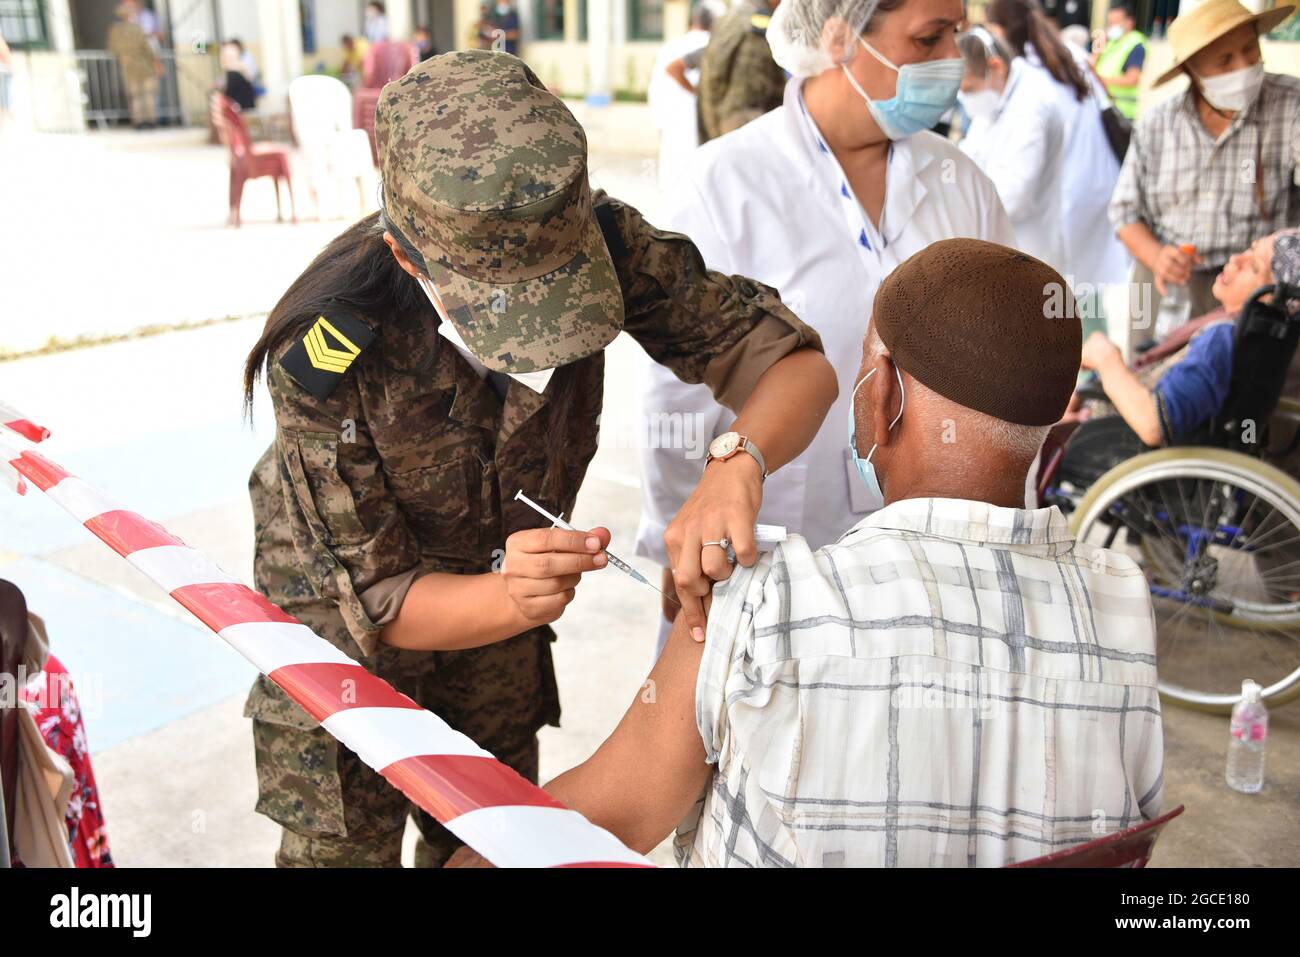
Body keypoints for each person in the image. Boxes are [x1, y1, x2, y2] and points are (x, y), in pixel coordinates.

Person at [240, 51, 836, 868]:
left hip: (497, 632)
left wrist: (735, 465)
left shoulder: (609, 243)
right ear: (412, 258)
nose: (540, 342)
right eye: (509, 310)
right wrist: (512, 596)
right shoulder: (327, 357)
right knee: (345, 852)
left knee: (493, 840)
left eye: (562, 296)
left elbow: (796, 366)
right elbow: (376, 595)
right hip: (345, 645)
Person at [453, 240, 1164, 868]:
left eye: (863, 366)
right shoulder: (1121, 607)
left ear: (882, 392)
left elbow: (604, 816)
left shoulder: (767, 598)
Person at [638, 0, 1014, 653]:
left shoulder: (963, 184)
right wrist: (691, 544)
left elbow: (1002, 365)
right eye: (928, 38)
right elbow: (675, 403)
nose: (953, 60)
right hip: (772, 556)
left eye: (958, 34)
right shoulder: (725, 185)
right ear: (839, 36)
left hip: (930, 565)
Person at [1108, 0, 1300, 350]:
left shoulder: (1291, 104)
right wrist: (1157, 256)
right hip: (1174, 298)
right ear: (1192, 71)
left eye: (1249, 49)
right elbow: (1123, 212)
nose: (1244, 66)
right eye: (1225, 61)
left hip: (1261, 300)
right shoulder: (1157, 125)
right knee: (1169, 389)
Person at [1075, 229, 1299, 449]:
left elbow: (1154, 425)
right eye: (1250, 249)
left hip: (1119, 450)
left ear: (1275, 299)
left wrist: (1106, 358)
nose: (1236, 259)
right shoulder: (1253, 341)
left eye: (1253, 267)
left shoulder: (1221, 341)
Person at [984, 0, 1128, 315]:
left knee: (1064, 299)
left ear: (1005, 30)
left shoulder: (1027, 75)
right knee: (1084, 292)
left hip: (1068, 193)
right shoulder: (1067, 53)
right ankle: (1093, 354)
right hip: (1096, 185)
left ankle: (1087, 354)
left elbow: (1019, 177)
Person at [957, 26, 1067, 271]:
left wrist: (959, 212)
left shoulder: (1031, 105)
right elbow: (967, 155)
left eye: (968, 89)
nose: (965, 99)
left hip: (1028, 248)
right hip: (1001, 244)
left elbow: (1015, 195)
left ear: (996, 67)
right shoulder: (996, 95)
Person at [694, 0, 786, 143]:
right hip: (740, 142)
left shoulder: (732, 17)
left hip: (718, 135)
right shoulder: (757, 29)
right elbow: (743, 108)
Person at [649, 3, 715, 192]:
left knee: (675, 189)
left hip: (673, 128)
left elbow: (655, 89)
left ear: (693, 20)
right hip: (706, 132)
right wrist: (694, 91)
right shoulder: (716, 45)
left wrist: (659, 125)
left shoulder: (671, 46)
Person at [107, 2, 163, 131]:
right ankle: (151, 122)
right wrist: (155, 62)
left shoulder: (115, 31)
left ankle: (139, 123)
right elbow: (148, 48)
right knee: (149, 95)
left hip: (128, 68)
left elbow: (113, 49)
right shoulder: (137, 29)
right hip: (145, 67)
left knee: (135, 97)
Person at [1090, 0, 1146, 120]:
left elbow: (1132, 79)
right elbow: (1091, 68)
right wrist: (1097, 48)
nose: (1112, 27)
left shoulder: (1135, 45)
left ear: (1129, 23)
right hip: (1103, 108)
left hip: (1122, 114)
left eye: (1116, 23)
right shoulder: (1110, 44)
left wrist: (1102, 81)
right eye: (1110, 23)